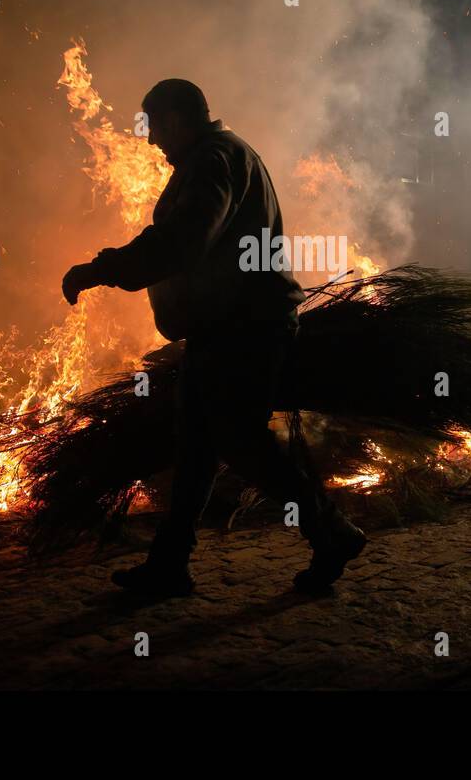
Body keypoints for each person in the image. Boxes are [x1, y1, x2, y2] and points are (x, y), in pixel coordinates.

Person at [61, 79, 366, 597]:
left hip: (244, 328)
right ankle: (169, 564)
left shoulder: (214, 159)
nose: (153, 140)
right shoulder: (219, 156)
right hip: (224, 327)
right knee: (198, 446)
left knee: (239, 441)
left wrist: (104, 268)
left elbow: (183, 240)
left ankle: (332, 531)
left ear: (178, 118)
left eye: (155, 127)